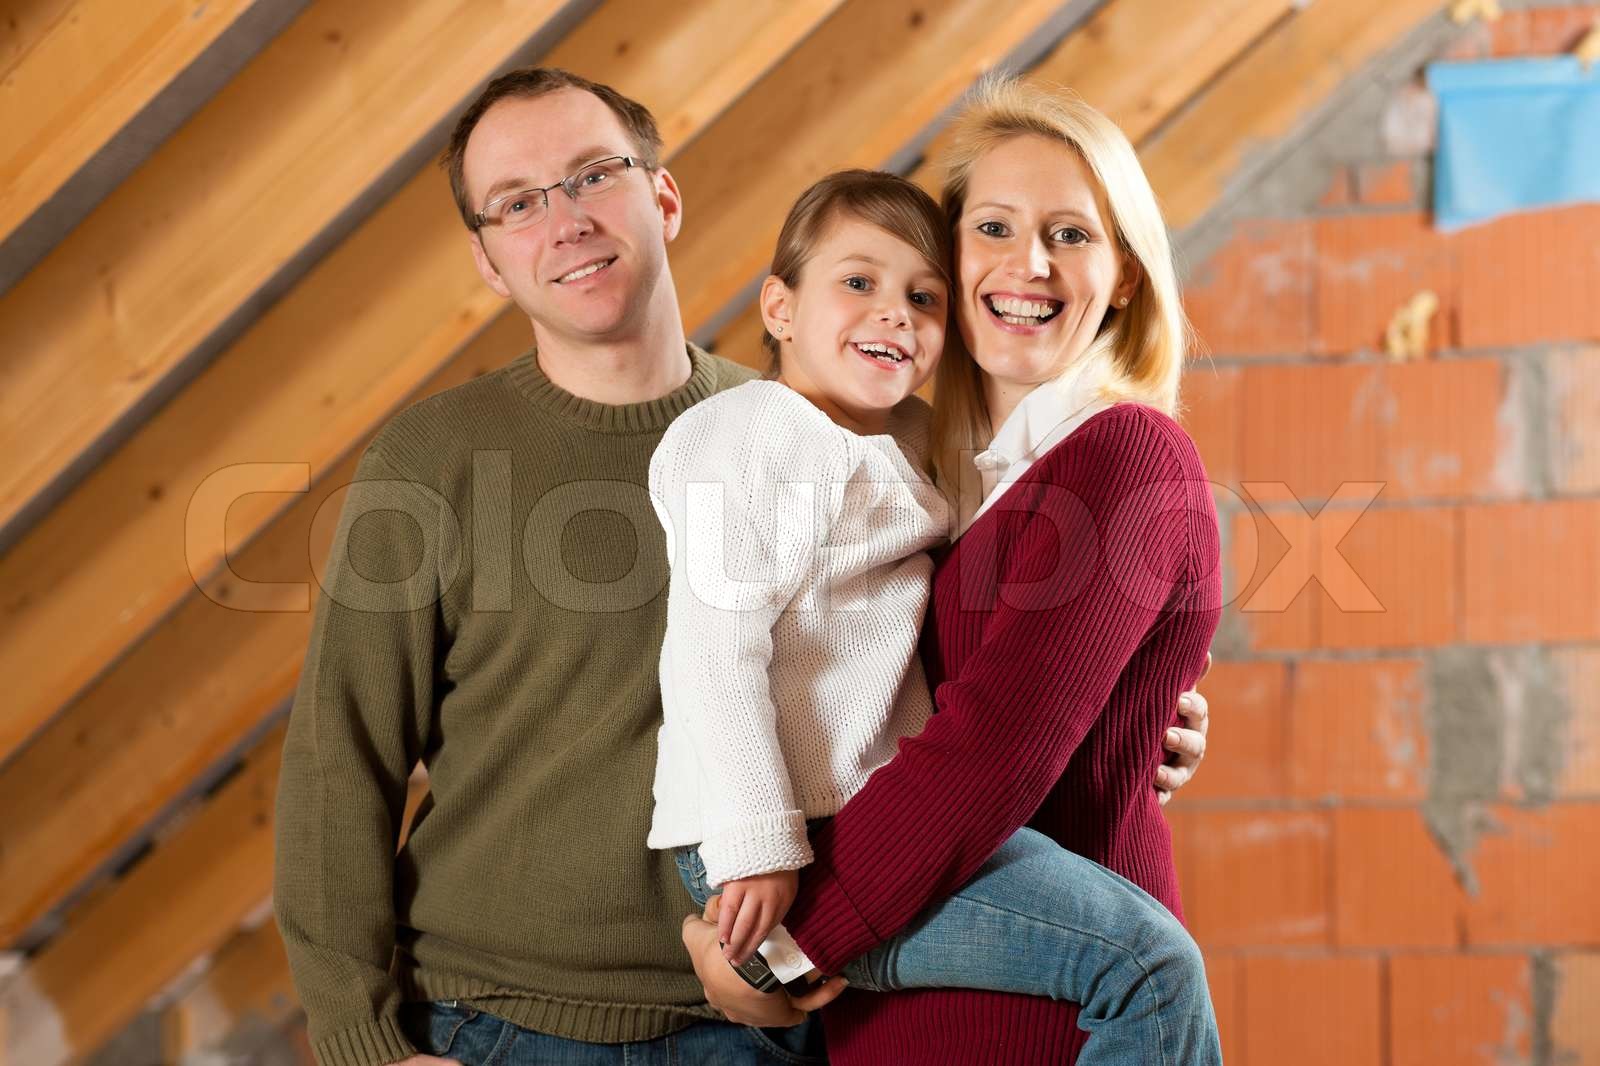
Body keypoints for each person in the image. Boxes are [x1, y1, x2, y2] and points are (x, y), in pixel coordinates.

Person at [272, 67, 1210, 1066]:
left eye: (594, 176)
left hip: (752, 1018)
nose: (567, 221)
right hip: (509, 1021)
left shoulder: (854, 427)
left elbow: (973, 652)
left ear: (662, 197)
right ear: (490, 259)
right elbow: (342, 763)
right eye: (518, 203)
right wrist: (362, 1047)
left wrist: (1146, 704)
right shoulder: (434, 460)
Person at [679, 77, 1221, 1065]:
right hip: (908, 992)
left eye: (1070, 234)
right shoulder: (942, 485)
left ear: (1127, 276)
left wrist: (780, 951)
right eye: (996, 227)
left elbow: (990, 749)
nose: (1028, 264)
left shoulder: (1123, 453)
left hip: (1038, 1013)